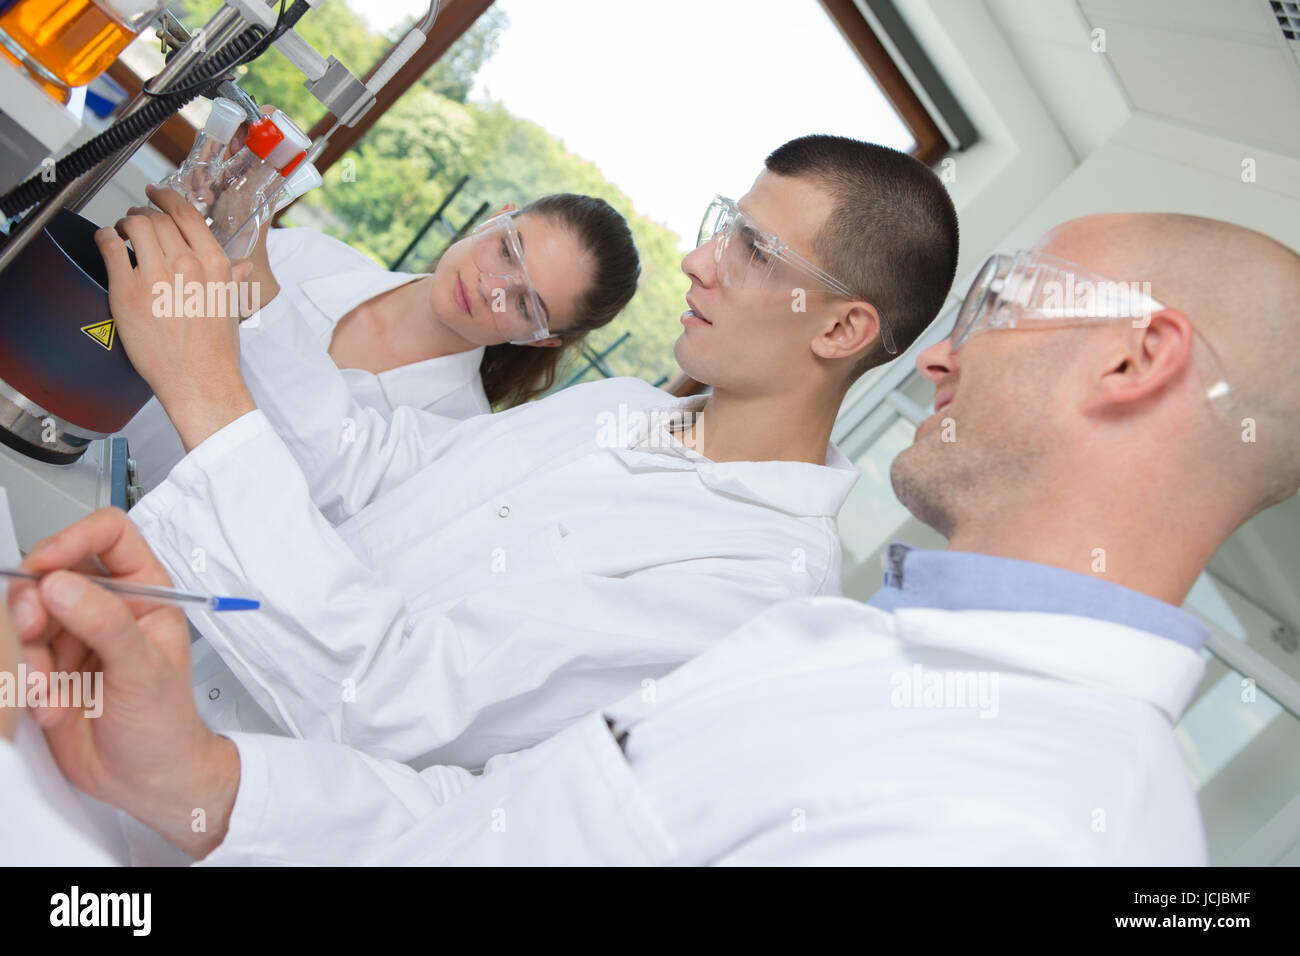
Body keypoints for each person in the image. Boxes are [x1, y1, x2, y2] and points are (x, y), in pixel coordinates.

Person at [8, 210, 1296, 866]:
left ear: (1136, 355)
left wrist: (210, 395)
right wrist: (205, 780)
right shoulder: (838, 640)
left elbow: (397, 693)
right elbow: (501, 823)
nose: (946, 354)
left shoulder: (1038, 824)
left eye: (1002, 306)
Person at [68, 134, 958, 769]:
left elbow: (394, 702)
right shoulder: (619, 407)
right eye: (725, 224)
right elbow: (368, 467)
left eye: (755, 252)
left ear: (843, 327)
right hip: (155, 689)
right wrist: (253, 301)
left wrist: (207, 391)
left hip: (221, 801)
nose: (697, 260)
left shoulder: (755, 593)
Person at [120, 189, 642, 495]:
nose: (492, 288)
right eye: (507, 250)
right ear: (495, 216)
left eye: (527, 305)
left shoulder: (456, 439)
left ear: (541, 342)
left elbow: (325, 492)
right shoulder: (307, 255)